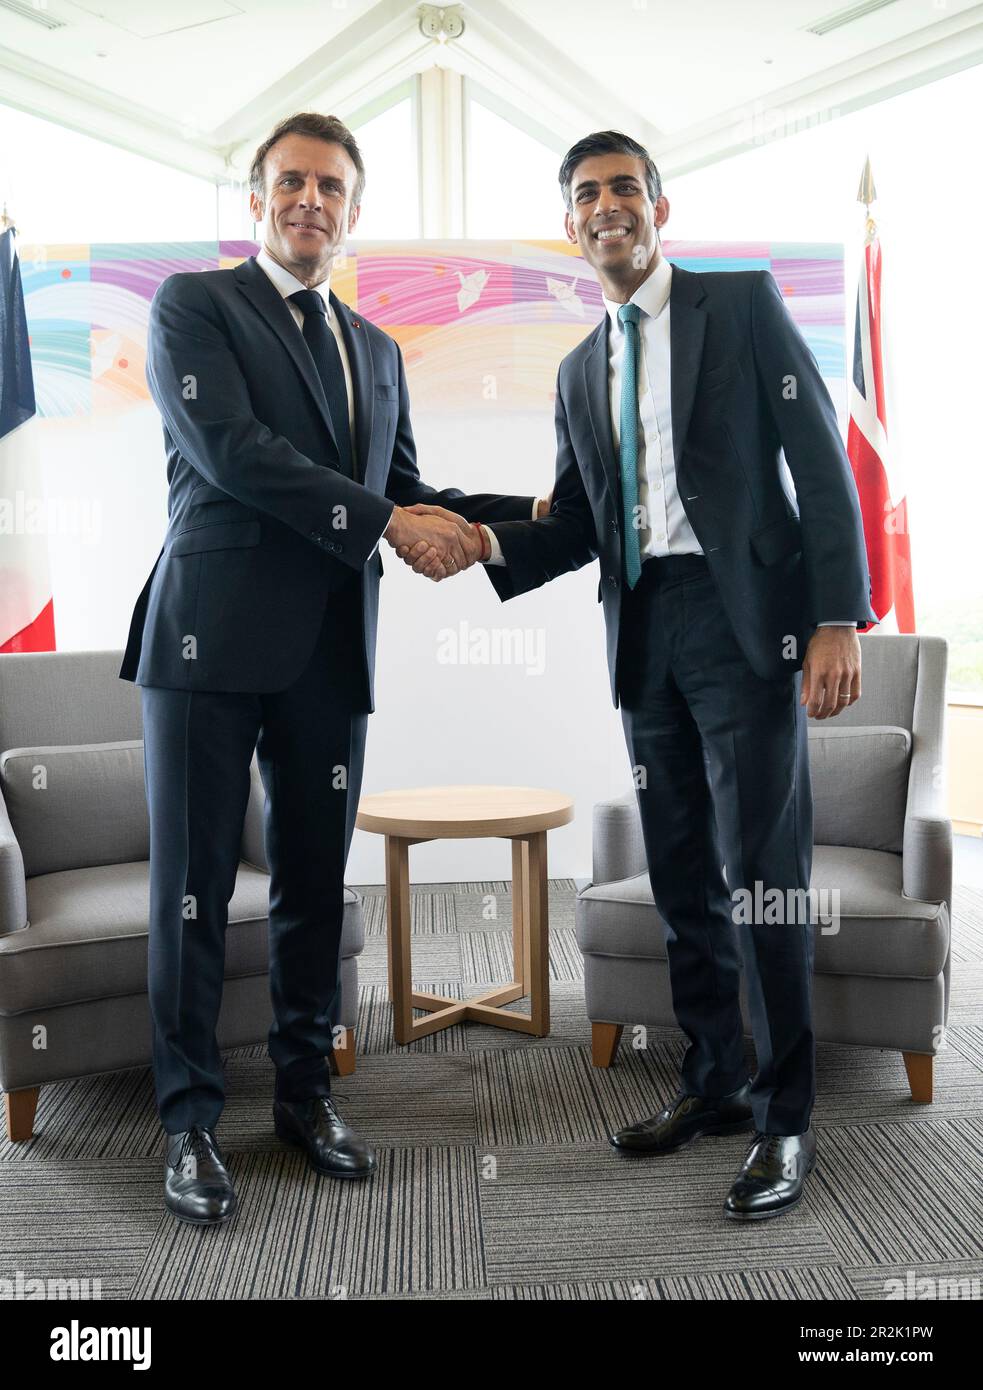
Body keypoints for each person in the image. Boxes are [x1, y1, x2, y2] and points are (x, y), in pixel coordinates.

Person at [400, 130, 877, 1221]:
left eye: (623, 188)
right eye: (585, 196)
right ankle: (711, 1078)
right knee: (680, 873)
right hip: (641, 630)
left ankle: (785, 1115)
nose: (605, 206)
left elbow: (818, 459)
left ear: (659, 208)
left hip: (744, 621)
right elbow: (570, 524)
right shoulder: (579, 369)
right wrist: (475, 538)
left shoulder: (740, 307)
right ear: (570, 226)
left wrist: (835, 615)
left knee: (761, 870)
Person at [120, 111, 546, 1226]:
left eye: (332, 187)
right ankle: (188, 1123)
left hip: (328, 647)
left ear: (354, 212)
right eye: (291, 181)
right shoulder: (193, 306)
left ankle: (305, 1097)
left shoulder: (378, 350)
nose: (310, 200)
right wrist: (385, 523)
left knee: (316, 882)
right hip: (206, 642)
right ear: (257, 198)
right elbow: (236, 454)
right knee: (195, 889)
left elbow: (406, 490)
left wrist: (535, 517)